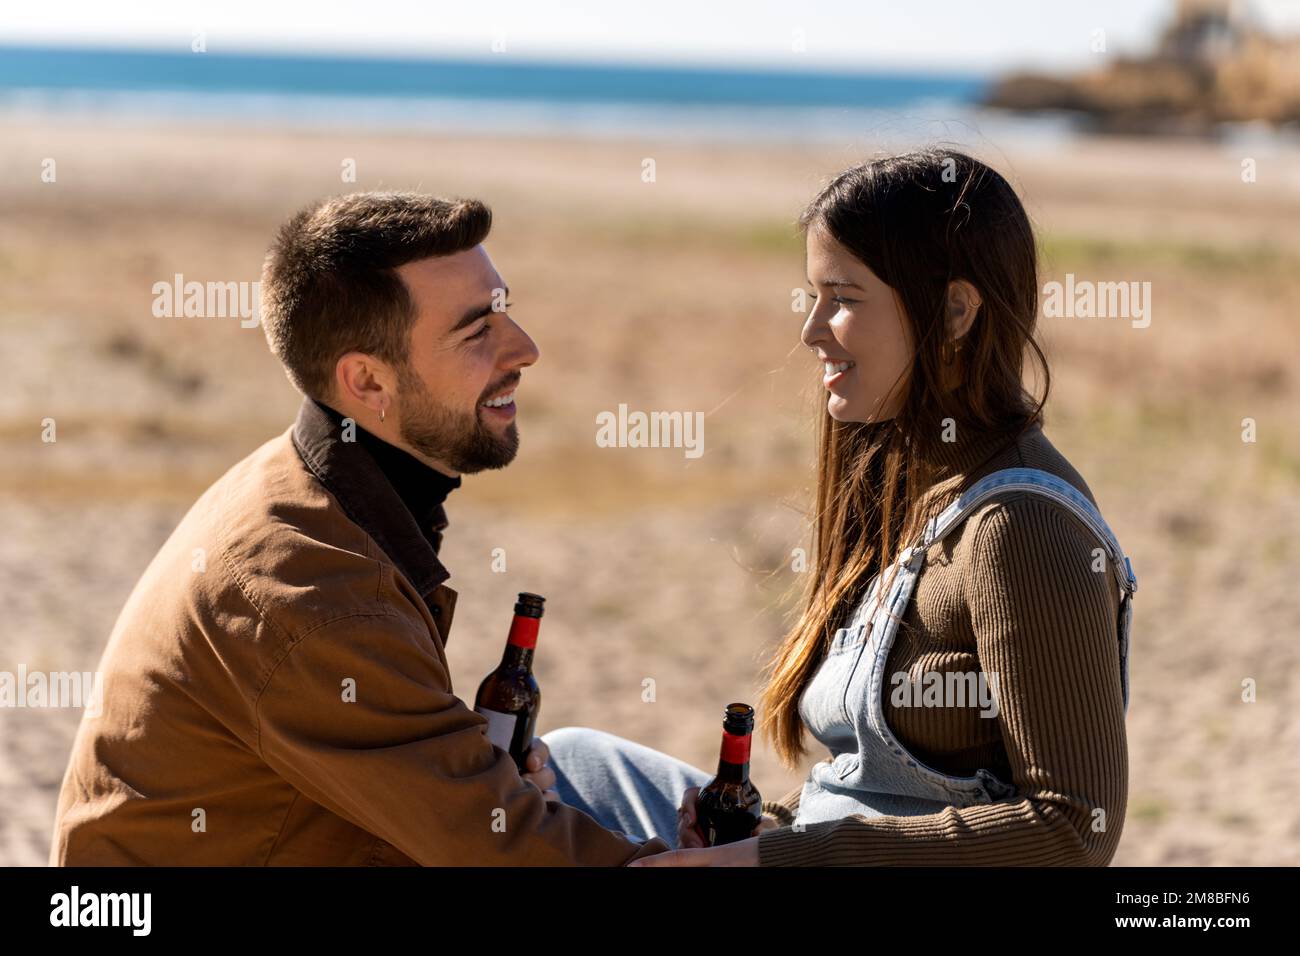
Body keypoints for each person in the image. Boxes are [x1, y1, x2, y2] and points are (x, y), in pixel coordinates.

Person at [543, 148, 1138, 867]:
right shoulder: (909, 482)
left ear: (955, 310)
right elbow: (865, 792)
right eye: (814, 295)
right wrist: (768, 827)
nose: (812, 329)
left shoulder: (1022, 527)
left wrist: (775, 862)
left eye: (845, 298)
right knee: (572, 763)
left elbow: (1073, 830)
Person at [49, 191, 669, 866]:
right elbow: (504, 851)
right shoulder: (312, 587)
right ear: (368, 383)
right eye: (476, 331)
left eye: (505, 310)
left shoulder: (313, 481)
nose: (525, 349)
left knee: (583, 763)